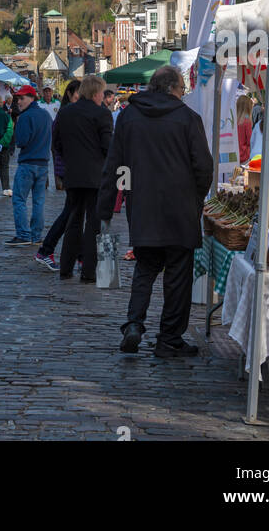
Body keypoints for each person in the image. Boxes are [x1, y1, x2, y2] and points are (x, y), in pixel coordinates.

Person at [97, 65, 213, 359]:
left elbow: (117, 166)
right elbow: (204, 167)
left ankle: (134, 324)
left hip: (144, 207)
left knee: (145, 269)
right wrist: (195, 198)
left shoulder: (128, 116)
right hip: (180, 209)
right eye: (183, 88)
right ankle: (170, 337)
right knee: (177, 276)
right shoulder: (188, 118)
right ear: (174, 89)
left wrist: (116, 200)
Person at [52, 76, 113, 282]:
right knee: (93, 224)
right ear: (97, 93)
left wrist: (70, 159)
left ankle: (66, 268)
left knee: (74, 221)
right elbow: (108, 146)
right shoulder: (102, 114)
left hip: (73, 174)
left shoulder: (66, 112)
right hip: (95, 176)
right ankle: (88, 272)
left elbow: (57, 143)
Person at [36, 81, 81, 271]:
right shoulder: (66, 113)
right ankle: (47, 250)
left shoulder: (69, 111)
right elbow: (59, 144)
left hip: (75, 171)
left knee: (75, 214)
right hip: (73, 171)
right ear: (70, 93)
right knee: (72, 214)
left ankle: (77, 255)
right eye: (78, 93)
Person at [6, 85, 53, 246]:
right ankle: (36, 235)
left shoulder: (25, 117)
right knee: (39, 201)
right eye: (18, 98)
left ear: (32, 98)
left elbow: (21, 141)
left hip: (28, 163)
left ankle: (23, 234)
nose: (19, 101)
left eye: (22, 98)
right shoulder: (46, 115)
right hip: (43, 164)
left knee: (19, 199)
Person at [236, 94, 253, 166]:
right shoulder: (247, 121)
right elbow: (250, 141)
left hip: (232, 155)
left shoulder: (232, 121)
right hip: (243, 156)